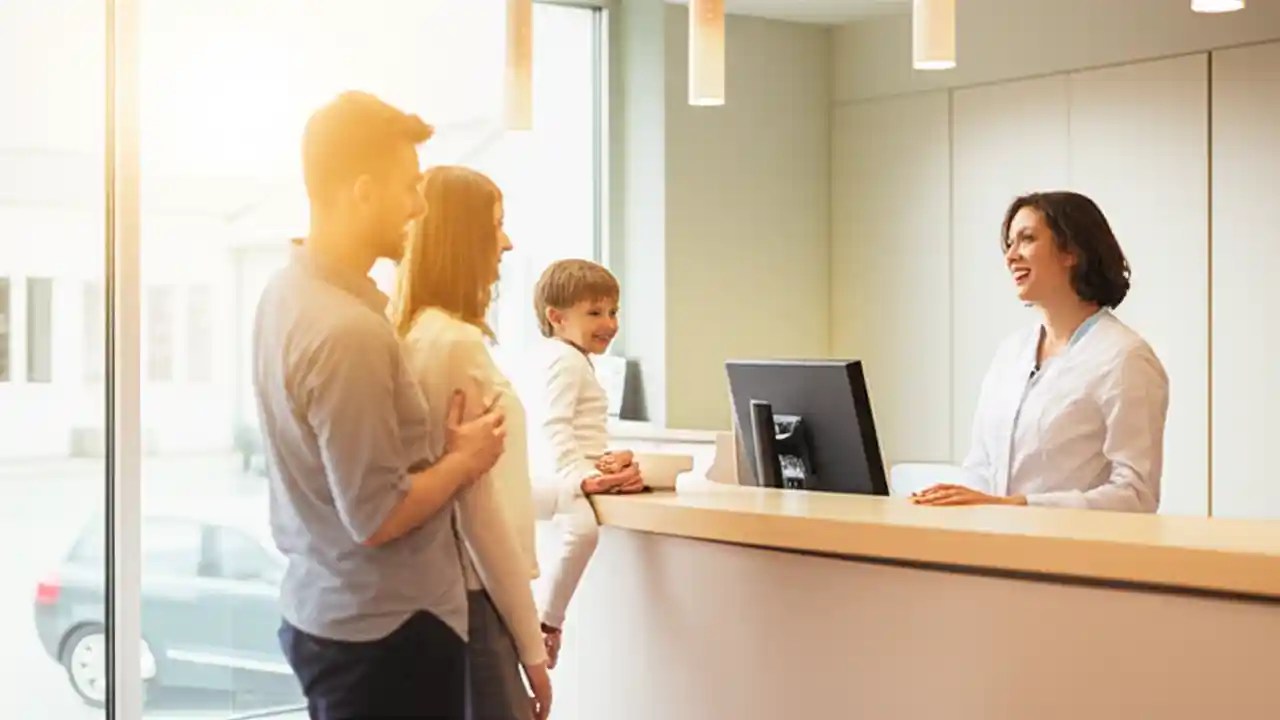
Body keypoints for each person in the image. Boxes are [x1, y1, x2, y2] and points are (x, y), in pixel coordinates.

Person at [252, 92, 507, 720]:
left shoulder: (285, 292)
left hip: (332, 616)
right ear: (361, 191)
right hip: (387, 637)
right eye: (409, 187)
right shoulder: (347, 333)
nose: (419, 207)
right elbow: (376, 516)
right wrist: (464, 460)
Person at [390, 166, 551, 720]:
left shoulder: (419, 335)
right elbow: (479, 515)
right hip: (477, 604)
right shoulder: (455, 345)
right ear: (463, 238)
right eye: (496, 227)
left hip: (451, 601)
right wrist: (531, 648)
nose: (506, 243)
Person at [913, 191, 1169, 512]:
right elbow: (981, 467)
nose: (1011, 256)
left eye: (1027, 239)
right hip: (994, 548)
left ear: (1071, 251)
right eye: (1009, 244)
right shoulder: (1011, 353)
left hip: (1073, 555)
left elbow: (1136, 495)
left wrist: (1022, 505)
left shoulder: (1125, 358)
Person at [527, 259, 644, 667]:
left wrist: (603, 462)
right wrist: (581, 478)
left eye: (613, 312)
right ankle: (546, 624)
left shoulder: (571, 358)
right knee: (582, 533)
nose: (609, 323)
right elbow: (553, 424)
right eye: (594, 313)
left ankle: (544, 621)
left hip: (574, 470)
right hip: (566, 477)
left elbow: (579, 427)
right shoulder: (565, 360)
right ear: (556, 317)